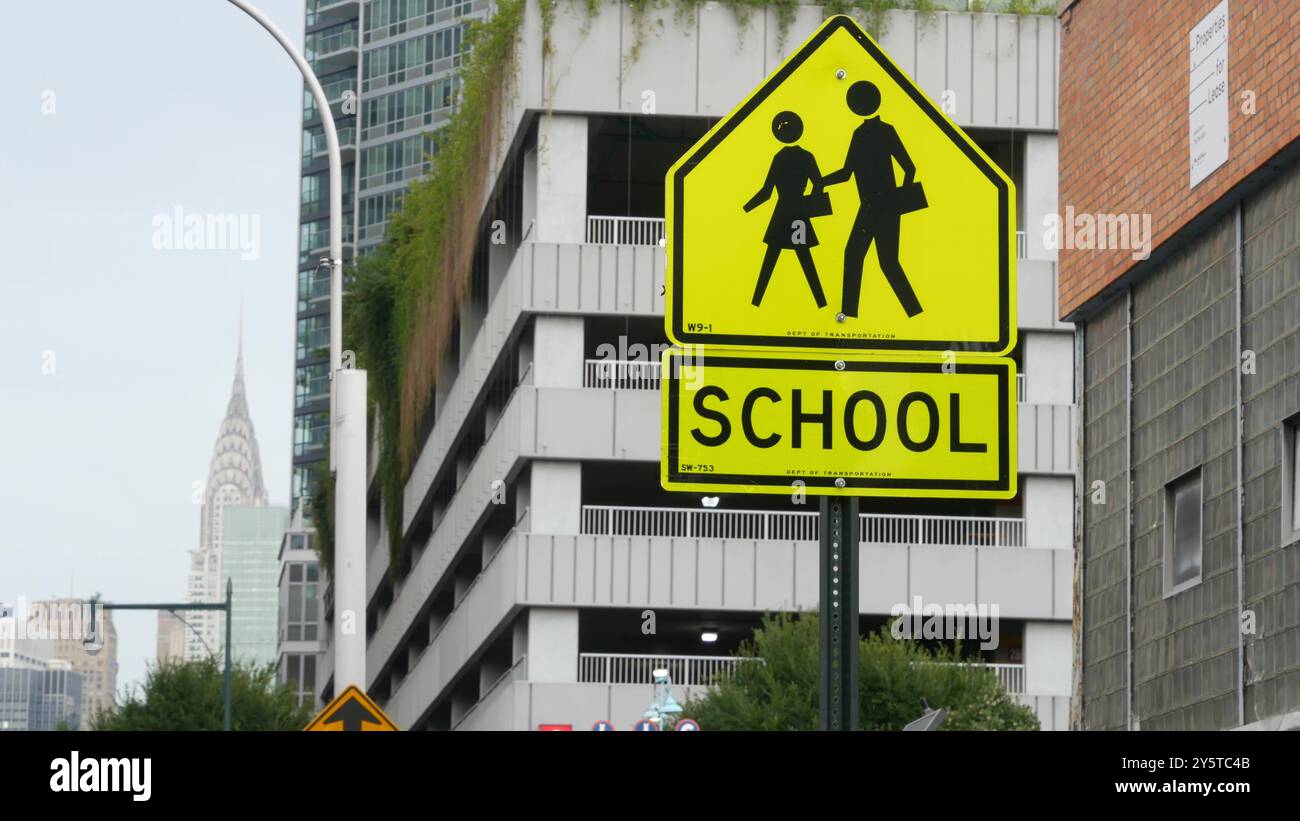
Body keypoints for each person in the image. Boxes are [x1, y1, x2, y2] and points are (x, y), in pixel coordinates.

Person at [823, 80, 924, 319]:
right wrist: (821, 180)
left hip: (878, 206)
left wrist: (899, 199)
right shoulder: (870, 133)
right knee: (877, 260)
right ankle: (910, 312)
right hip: (878, 207)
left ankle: (854, 313)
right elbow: (849, 173)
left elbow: (909, 167)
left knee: (870, 259)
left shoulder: (873, 133)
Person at [742, 111, 829, 308]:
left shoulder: (779, 157)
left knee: (772, 259)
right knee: (803, 259)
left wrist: (746, 208)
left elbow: (766, 192)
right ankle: (821, 303)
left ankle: (756, 302)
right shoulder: (807, 156)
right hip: (798, 212)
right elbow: (819, 184)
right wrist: (810, 204)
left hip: (783, 212)